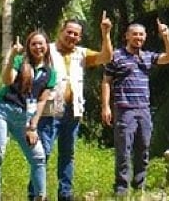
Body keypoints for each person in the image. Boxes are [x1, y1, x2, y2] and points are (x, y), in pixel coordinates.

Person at [34, 13, 113, 201]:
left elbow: (106, 57)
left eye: (76, 35)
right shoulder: (48, 50)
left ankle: (65, 195)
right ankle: (36, 194)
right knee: (42, 154)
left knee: (67, 155)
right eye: (69, 32)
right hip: (49, 109)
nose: (72, 37)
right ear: (61, 32)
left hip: (73, 109)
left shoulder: (81, 53)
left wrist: (106, 33)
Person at [101, 18, 169, 195]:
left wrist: (166, 36)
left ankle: (139, 186)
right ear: (127, 36)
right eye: (134, 34)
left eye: (141, 35)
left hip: (144, 109)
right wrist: (105, 106)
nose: (138, 37)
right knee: (124, 149)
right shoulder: (116, 56)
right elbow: (106, 81)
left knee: (143, 147)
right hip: (124, 109)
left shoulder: (148, 57)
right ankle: (121, 188)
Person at [0, 30, 55, 201]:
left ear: (47, 46)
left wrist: (33, 126)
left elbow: (41, 102)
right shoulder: (19, 61)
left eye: (41, 44)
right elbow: (8, 81)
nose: (37, 47)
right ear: (28, 47)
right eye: (33, 44)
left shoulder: (50, 73)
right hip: (2, 110)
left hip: (24, 118)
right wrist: (11, 56)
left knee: (38, 157)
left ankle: (41, 196)